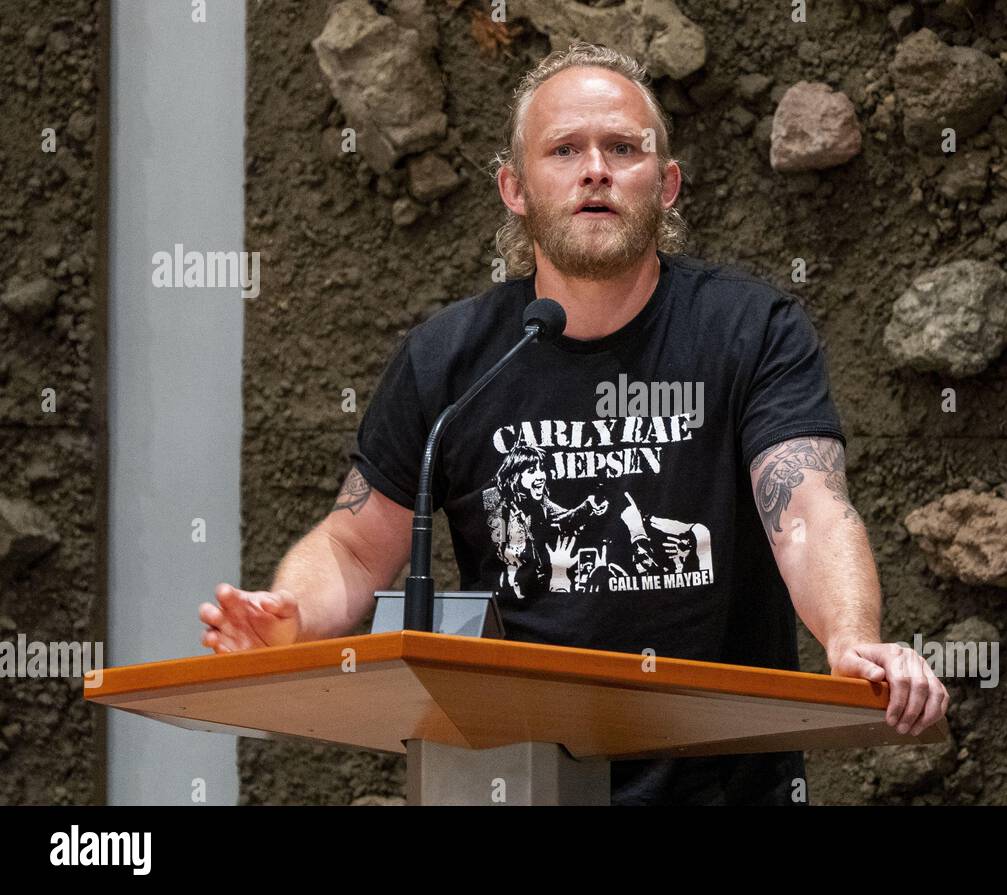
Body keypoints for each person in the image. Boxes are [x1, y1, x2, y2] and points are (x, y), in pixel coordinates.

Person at [198, 40, 948, 805]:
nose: (596, 168)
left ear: (668, 184)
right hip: (518, 780)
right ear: (514, 188)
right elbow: (355, 548)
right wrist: (289, 616)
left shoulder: (749, 330)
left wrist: (851, 638)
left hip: (721, 786)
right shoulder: (450, 362)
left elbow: (808, 514)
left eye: (624, 147)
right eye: (565, 150)